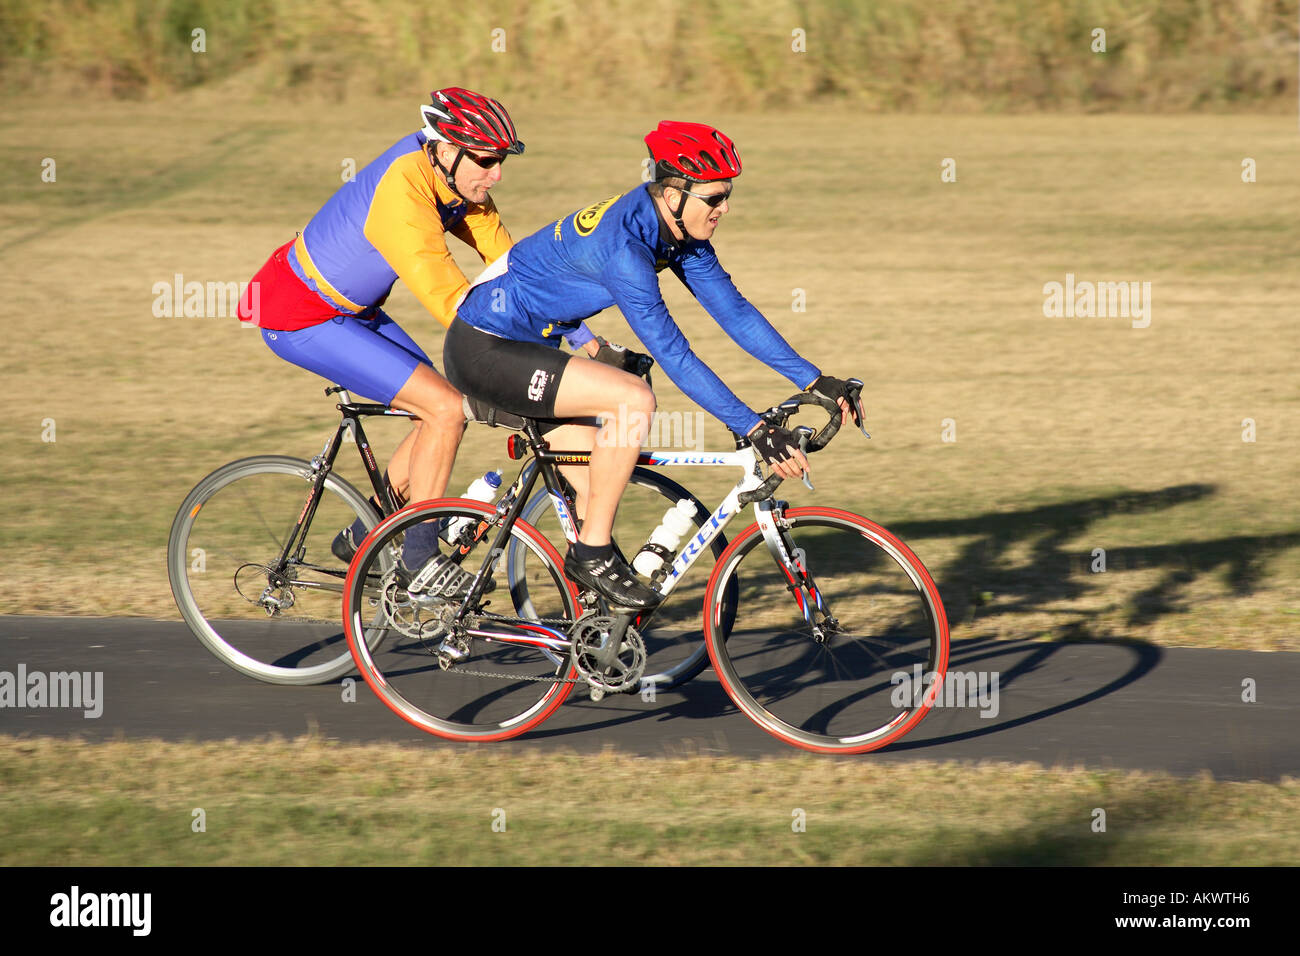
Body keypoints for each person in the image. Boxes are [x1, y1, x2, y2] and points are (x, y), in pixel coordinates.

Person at [440, 120, 857, 610]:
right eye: (715, 198)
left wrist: (815, 378)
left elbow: (735, 313)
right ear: (674, 194)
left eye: (728, 196)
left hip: (531, 349)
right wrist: (755, 428)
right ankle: (591, 557)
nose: (724, 208)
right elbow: (675, 354)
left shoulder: (674, 228)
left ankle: (593, 626)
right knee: (632, 400)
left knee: (600, 489)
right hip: (484, 349)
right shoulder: (626, 250)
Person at [236, 88, 621, 583]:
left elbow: (516, 269)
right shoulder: (403, 191)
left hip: (354, 310)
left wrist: (587, 339)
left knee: (442, 404)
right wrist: (521, 357)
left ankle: (365, 533)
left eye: (501, 161)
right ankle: (419, 558)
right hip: (300, 314)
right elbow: (452, 302)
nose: (497, 175)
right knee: (444, 409)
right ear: (446, 149)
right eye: (486, 161)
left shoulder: (455, 179)